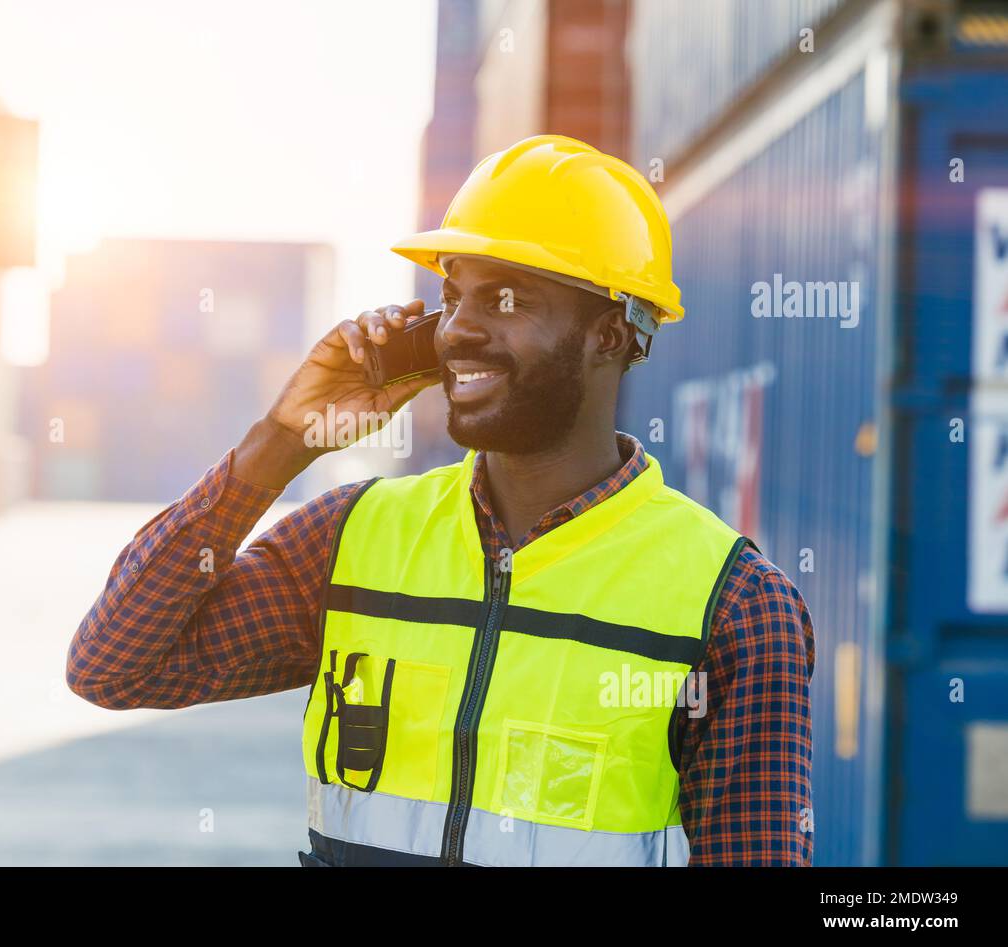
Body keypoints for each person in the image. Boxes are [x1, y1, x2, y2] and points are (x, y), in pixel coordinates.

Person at [66, 135, 814, 866]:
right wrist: (283, 443)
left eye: (505, 300)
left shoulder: (730, 604)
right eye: (452, 297)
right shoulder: (356, 537)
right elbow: (115, 665)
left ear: (610, 336)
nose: (457, 331)